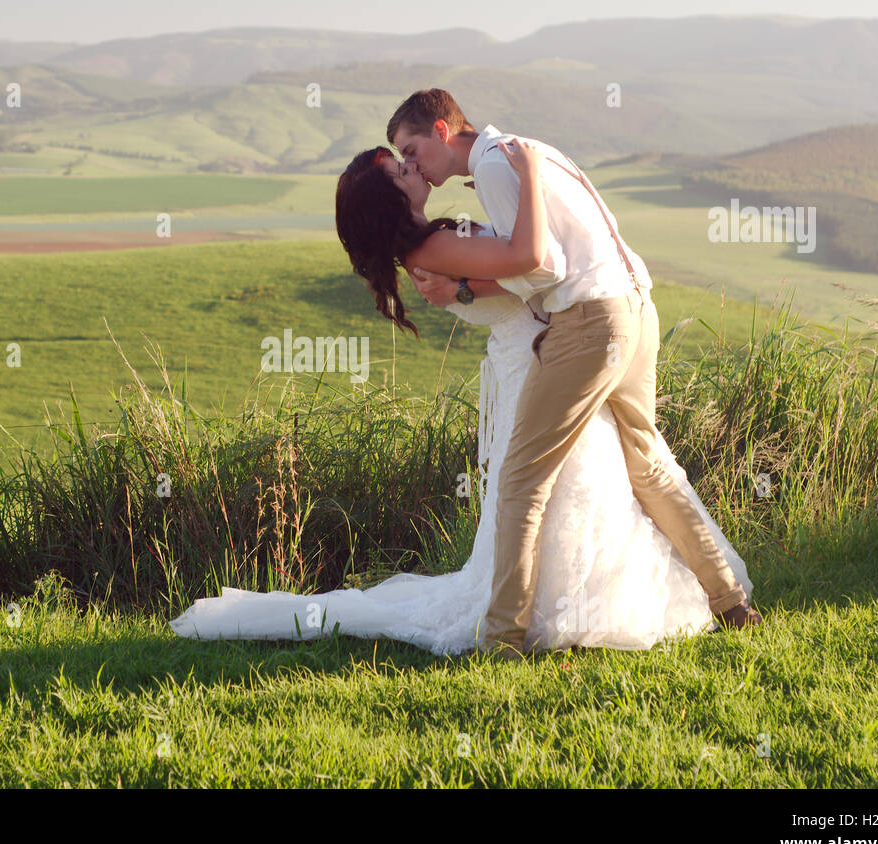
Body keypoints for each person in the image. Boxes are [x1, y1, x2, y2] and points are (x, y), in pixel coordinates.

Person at [167, 138, 756, 656]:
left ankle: (563, 614)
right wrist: (527, 180)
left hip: (555, 350)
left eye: (405, 158)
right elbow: (534, 263)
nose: (410, 168)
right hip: (541, 359)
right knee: (553, 483)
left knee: (596, 478)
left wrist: (480, 281)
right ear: (390, 199)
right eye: (398, 170)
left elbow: (520, 276)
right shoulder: (430, 251)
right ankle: (521, 627)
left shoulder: (441, 239)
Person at [386, 89, 763, 659]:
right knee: (650, 466)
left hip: (589, 322)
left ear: (442, 130)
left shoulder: (492, 166)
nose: (412, 165)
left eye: (412, 150)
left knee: (521, 479)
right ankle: (731, 603)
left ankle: (502, 639)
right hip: (636, 306)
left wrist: (463, 286)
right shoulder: (521, 150)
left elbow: (542, 266)